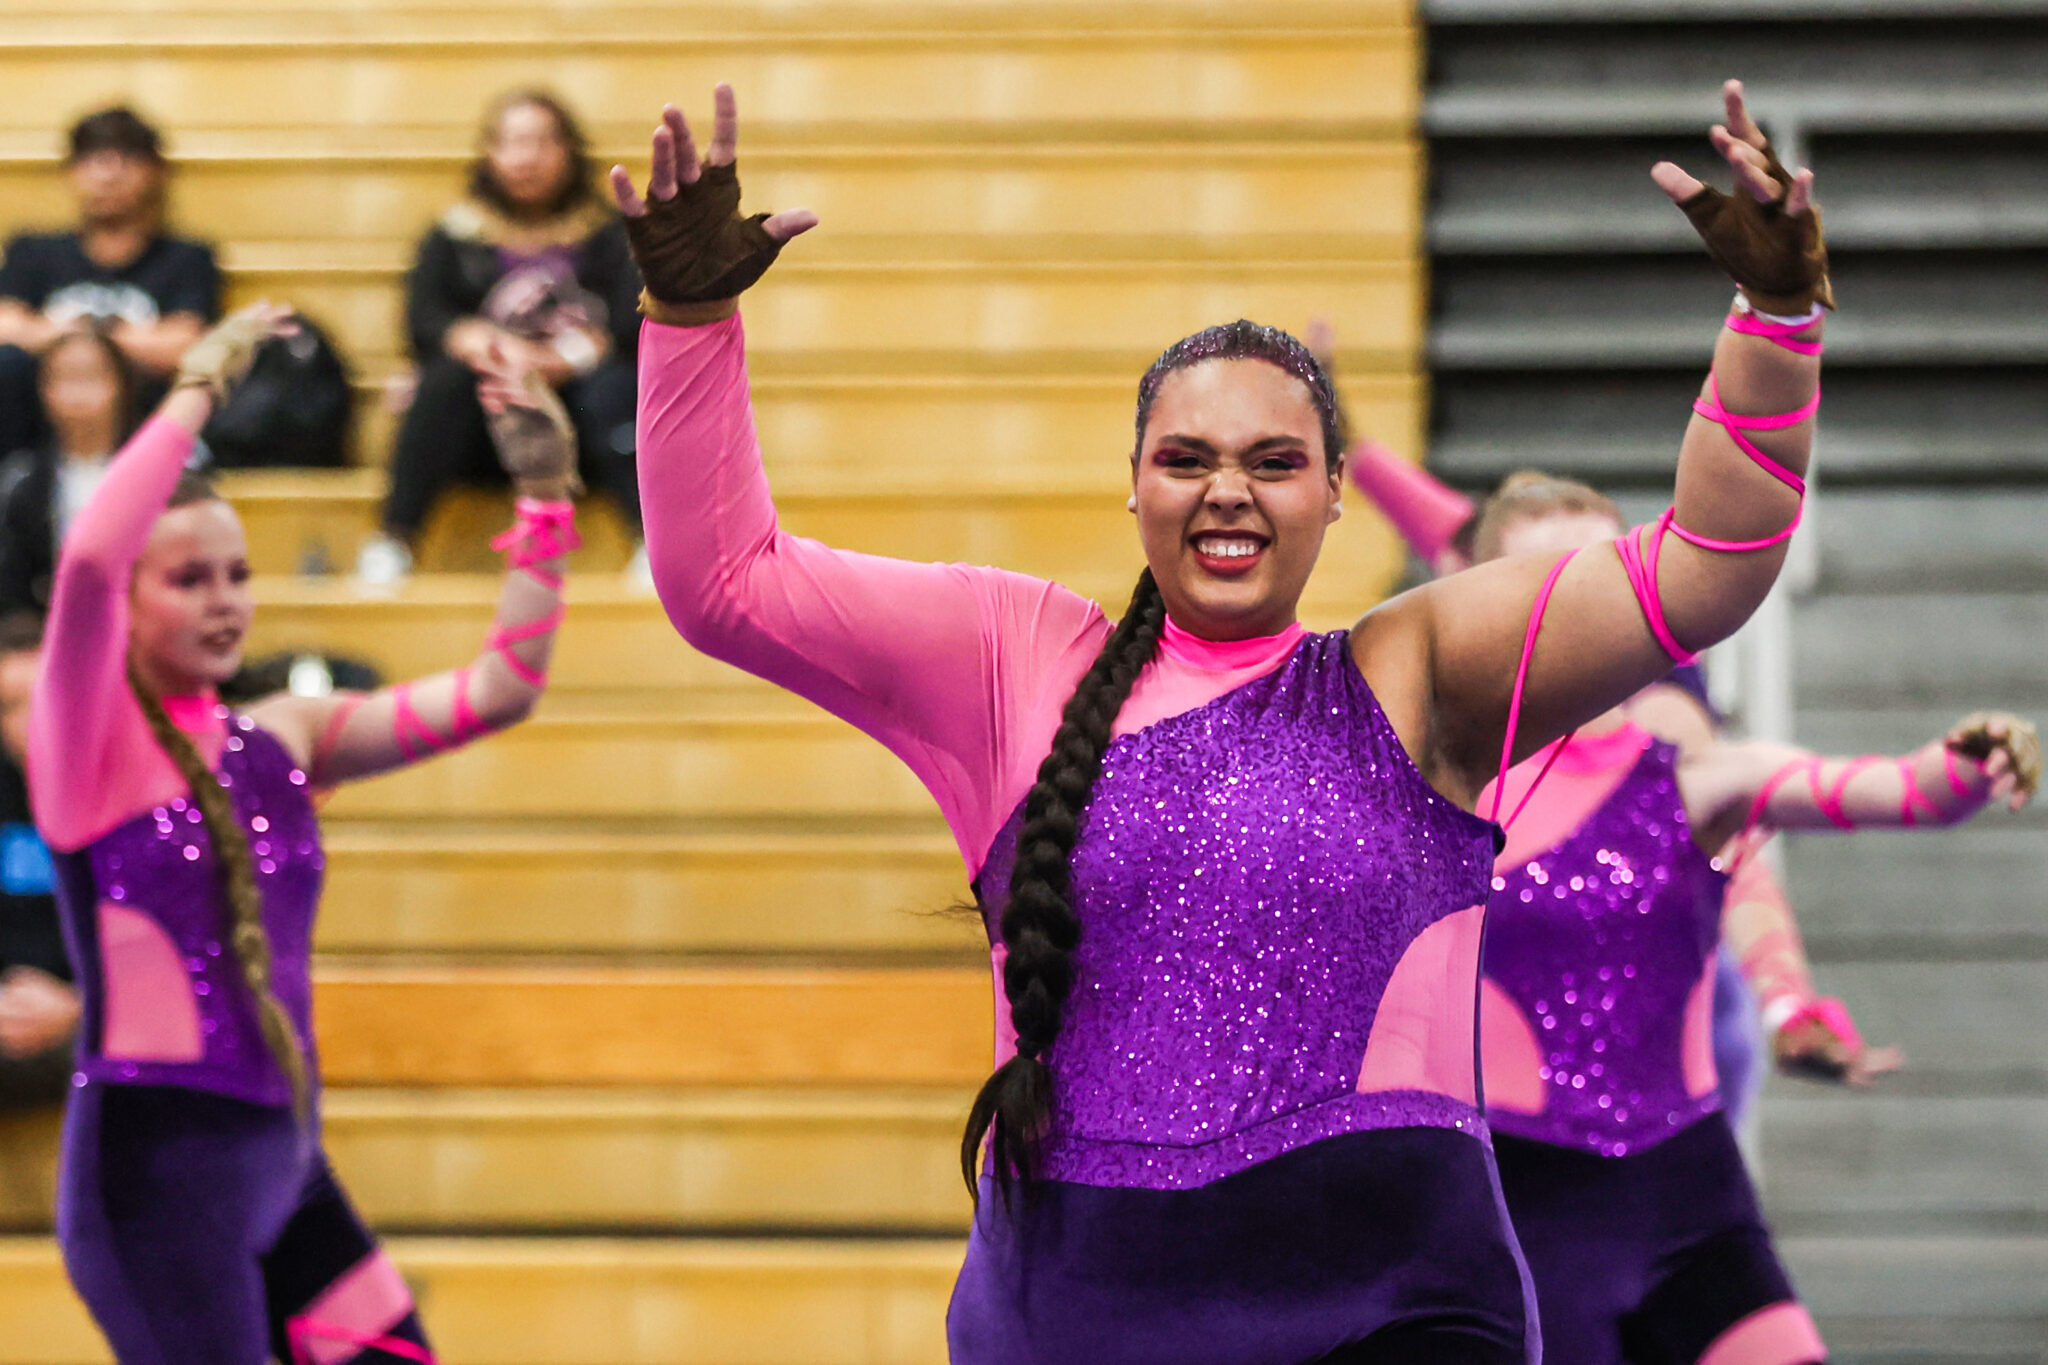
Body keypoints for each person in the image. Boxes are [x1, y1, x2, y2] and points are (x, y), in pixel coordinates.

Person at [618, 77, 1826, 1363]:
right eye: (1184, 459)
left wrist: (1774, 319)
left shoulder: (1414, 668)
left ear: (1338, 492)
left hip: (1394, 1300)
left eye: (1272, 460)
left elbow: (1706, 561)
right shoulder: (1014, 660)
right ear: (1130, 481)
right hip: (1081, 1302)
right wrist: (690, 318)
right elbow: (724, 585)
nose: (1226, 494)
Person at [28, 303, 578, 1363]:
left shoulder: (285, 737)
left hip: (285, 1157)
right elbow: (90, 561)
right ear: (128, 606)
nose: (227, 602)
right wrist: (197, 387)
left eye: (237, 575)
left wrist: (546, 499)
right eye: (188, 579)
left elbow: (501, 690)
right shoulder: (87, 756)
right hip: (153, 1179)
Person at [1466, 472, 2038, 1365]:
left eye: (1599, 582)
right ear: (1483, 604)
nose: (1576, 614)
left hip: (1690, 1198)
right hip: (1527, 1213)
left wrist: (1961, 769)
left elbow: (1874, 789)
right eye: (1542, 591)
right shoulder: (1441, 796)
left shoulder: (1694, 773)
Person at [1345, 450, 1902, 1096]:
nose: (1551, 609)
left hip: (1650, 1015)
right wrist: (1351, 446)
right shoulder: (1483, 659)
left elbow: (1732, 858)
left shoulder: (1654, 703)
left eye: (1577, 582)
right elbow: (1440, 530)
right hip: (1520, 1023)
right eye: (1527, 583)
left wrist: (1786, 999)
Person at [357, 89, 643, 588]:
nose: (526, 158)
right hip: (485, 419)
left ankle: (649, 542)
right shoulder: (454, 234)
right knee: (440, 382)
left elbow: (631, 324)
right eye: (512, 143)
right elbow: (425, 321)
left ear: (569, 152)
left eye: (541, 142)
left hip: (580, 423)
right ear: (489, 153)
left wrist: (557, 360)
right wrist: (486, 347)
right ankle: (394, 540)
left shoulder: (610, 234)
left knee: (617, 386)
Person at [0, 107, 220, 458]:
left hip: (139, 420)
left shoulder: (186, 257)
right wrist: (119, 340)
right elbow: (6, 327)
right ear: (70, 172)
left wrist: (73, 336)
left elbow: (184, 346)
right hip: (39, 426)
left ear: (154, 172)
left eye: (126, 160)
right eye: (92, 160)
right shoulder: (33, 250)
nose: (107, 176)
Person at [0, 326, 143, 618]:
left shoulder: (155, 472)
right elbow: (13, 581)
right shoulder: (22, 480)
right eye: (64, 377)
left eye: (91, 376)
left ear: (121, 384)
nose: (78, 393)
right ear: (43, 390)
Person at [0, 613, 75, 1111]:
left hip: (94, 1026)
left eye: (45, 701)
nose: (29, 722)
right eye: (9, 707)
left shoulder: (143, 803)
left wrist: (80, 1007)